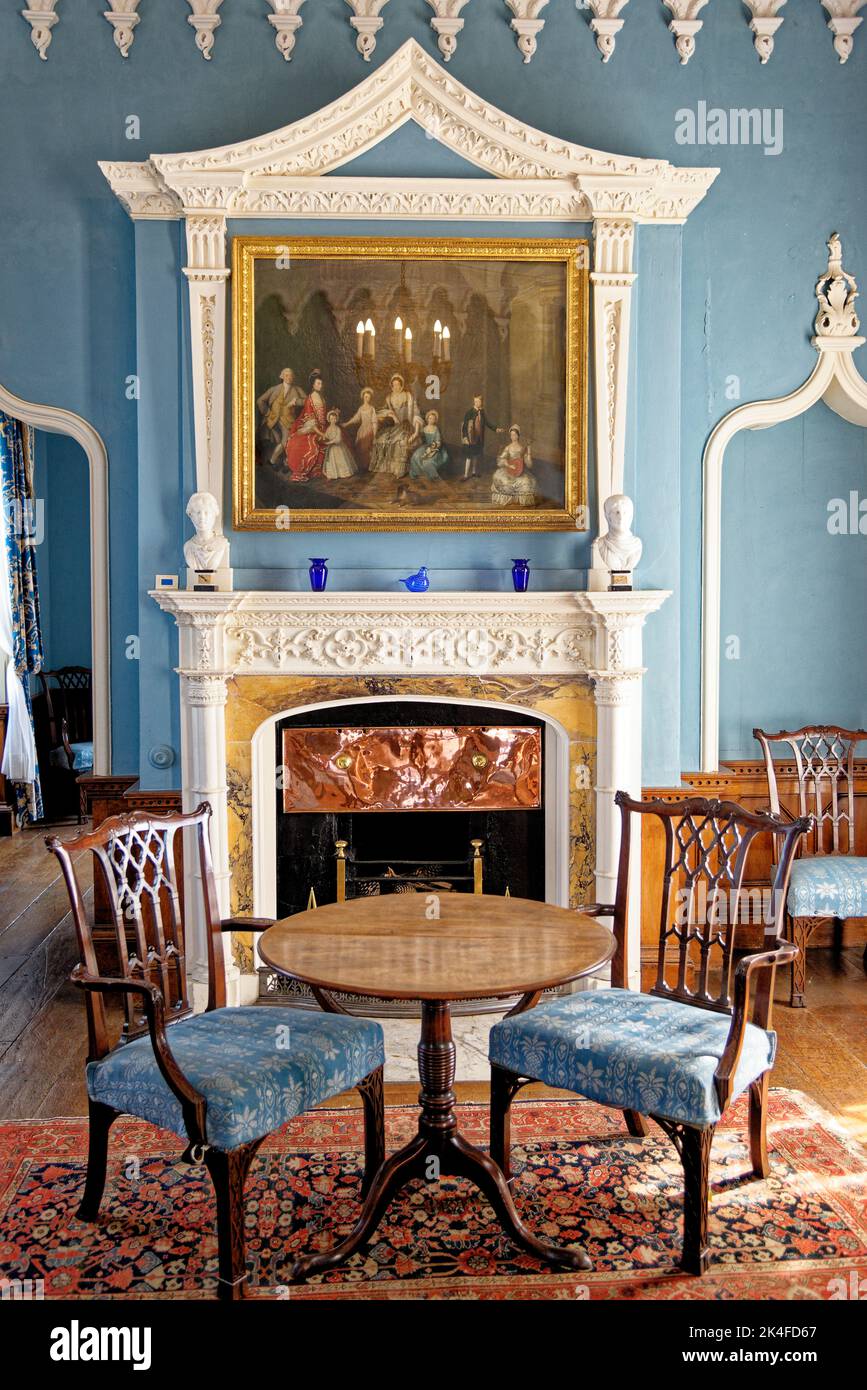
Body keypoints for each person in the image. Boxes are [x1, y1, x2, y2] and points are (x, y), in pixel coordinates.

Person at [369, 375, 423, 479]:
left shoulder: (407, 395)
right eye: (394, 385)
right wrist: (390, 414)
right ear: (391, 386)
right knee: (382, 438)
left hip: (407, 424)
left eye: (398, 385)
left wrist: (415, 429)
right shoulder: (389, 397)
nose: (396, 387)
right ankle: (388, 468)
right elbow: (380, 411)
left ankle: (400, 470)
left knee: (401, 441)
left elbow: (415, 410)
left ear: (401, 385)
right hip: (395, 427)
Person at [284, 371, 327, 482]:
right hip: (313, 429)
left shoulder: (322, 398)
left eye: (321, 384)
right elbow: (311, 421)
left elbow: (323, 416)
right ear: (313, 385)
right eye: (318, 384)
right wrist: (321, 433)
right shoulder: (310, 399)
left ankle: (319, 469)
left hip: (322, 427)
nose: (320, 386)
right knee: (310, 443)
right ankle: (303, 471)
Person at [257, 368, 304, 465]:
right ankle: (281, 462)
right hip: (273, 419)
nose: (289, 378)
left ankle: (274, 461)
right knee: (280, 441)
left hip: (288, 420)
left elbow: (307, 401)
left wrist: (296, 402)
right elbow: (260, 401)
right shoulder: (274, 389)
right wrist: (267, 413)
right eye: (286, 375)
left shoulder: (297, 390)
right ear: (282, 377)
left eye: (291, 375)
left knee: (285, 441)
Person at [491, 425, 538, 507]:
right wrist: (509, 465)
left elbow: (529, 464)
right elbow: (501, 460)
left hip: (520, 472)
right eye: (511, 435)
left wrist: (529, 450)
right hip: (509, 471)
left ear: (518, 435)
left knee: (526, 483)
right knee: (504, 482)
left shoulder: (522, 448)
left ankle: (519, 500)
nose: (513, 437)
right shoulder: (508, 448)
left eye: (515, 435)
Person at [460, 392, 503, 481]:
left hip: (479, 438)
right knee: (469, 456)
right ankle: (465, 475)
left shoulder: (482, 412)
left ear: (481, 402)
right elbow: (464, 427)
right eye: (476, 402)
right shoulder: (469, 412)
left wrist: (496, 429)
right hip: (471, 438)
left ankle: (474, 472)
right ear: (474, 402)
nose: (477, 403)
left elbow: (487, 423)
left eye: (479, 402)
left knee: (476, 454)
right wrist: (465, 438)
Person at [183, 491, 229, 571]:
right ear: (191, 516)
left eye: (206, 512)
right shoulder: (188, 547)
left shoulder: (222, 544)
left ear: (214, 514)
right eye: (198, 513)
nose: (202, 517)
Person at [342, 387, 378, 472]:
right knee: (360, 447)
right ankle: (361, 467)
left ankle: (368, 467)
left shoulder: (372, 408)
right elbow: (356, 418)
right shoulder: (361, 408)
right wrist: (346, 424)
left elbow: (374, 422)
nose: (367, 399)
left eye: (368, 397)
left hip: (369, 430)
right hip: (362, 430)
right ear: (363, 397)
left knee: (367, 448)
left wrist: (375, 434)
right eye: (366, 397)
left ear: (370, 398)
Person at [408, 410, 449, 481]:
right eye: (430, 418)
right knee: (416, 456)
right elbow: (420, 437)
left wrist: (432, 448)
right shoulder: (424, 428)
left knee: (429, 461)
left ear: (435, 420)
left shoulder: (436, 429)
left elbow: (438, 440)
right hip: (426, 446)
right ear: (427, 419)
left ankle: (433, 476)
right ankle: (416, 474)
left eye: (433, 419)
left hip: (435, 447)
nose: (431, 420)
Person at [322, 409, 358, 480]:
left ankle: (344, 473)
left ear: (336, 420)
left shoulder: (338, 429)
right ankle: (332, 474)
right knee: (331, 461)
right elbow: (326, 436)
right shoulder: (328, 429)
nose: (333, 420)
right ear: (329, 419)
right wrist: (324, 438)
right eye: (331, 419)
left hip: (338, 447)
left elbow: (338, 439)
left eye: (334, 419)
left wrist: (329, 442)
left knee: (341, 460)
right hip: (331, 448)